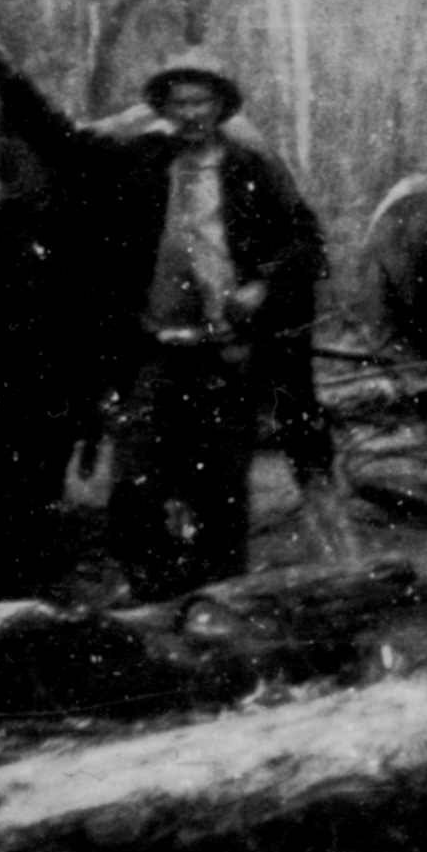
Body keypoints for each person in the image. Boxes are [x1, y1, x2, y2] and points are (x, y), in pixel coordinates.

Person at [104, 47, 353, 597]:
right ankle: (151, 599)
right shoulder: (143, 164)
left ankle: (222, 608)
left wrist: (261, 284)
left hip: (226, 353)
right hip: (156, 349)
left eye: (202, 101)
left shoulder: (249, 166)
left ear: (220, 106)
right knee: (133, 487)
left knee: (220, 490)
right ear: (165, 108)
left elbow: (305, 243)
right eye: (180, 101)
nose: (192, 112)